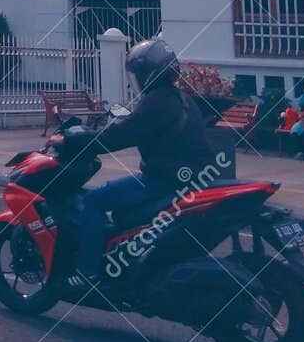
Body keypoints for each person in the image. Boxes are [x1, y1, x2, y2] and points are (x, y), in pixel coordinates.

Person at [75, 37, 214, 283]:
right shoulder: (182, 99)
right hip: (193, 180)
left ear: (148, 73)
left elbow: (119, 136)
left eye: (138, 73)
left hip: (163, 181)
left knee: (93, 200)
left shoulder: (157, 102)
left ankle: (88, 274)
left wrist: (75, 142)